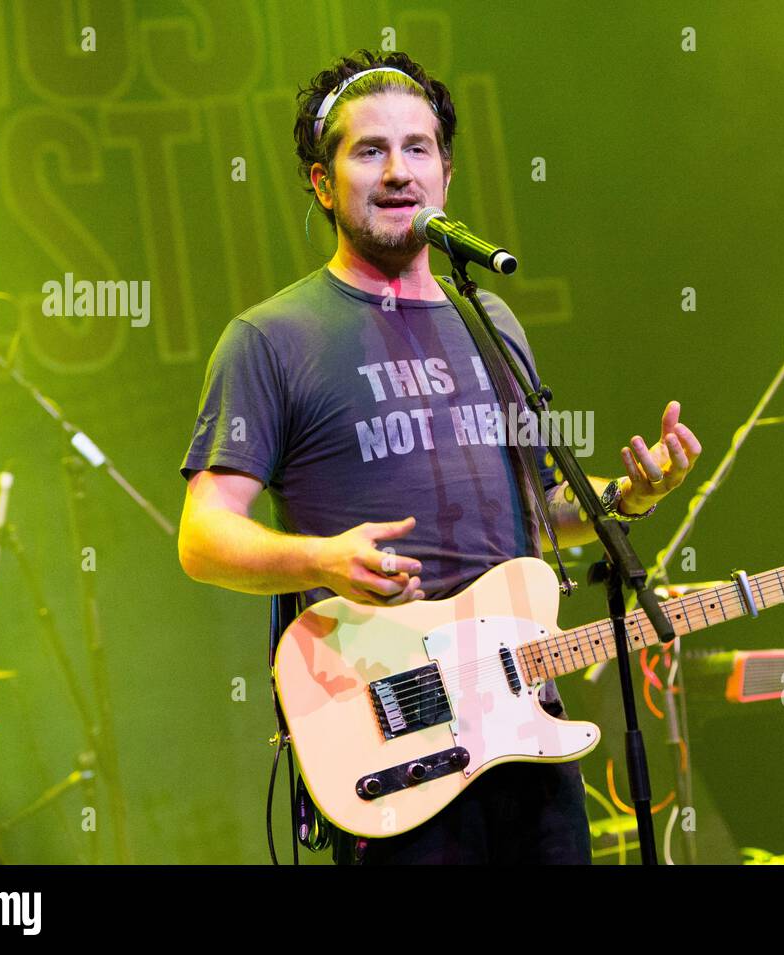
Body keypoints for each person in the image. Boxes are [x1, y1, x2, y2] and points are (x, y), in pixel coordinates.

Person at [176, 49, 702, 865]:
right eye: (369, 150)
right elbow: (203, 537)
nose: (397, 171)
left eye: (417, 148)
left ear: (446, 176)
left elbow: (530, 516)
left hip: (527, 728)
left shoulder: (489, 323)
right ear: (322, 183)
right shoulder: (271, 339)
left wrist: (624, 497)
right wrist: (321, 557)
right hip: (397, 741)